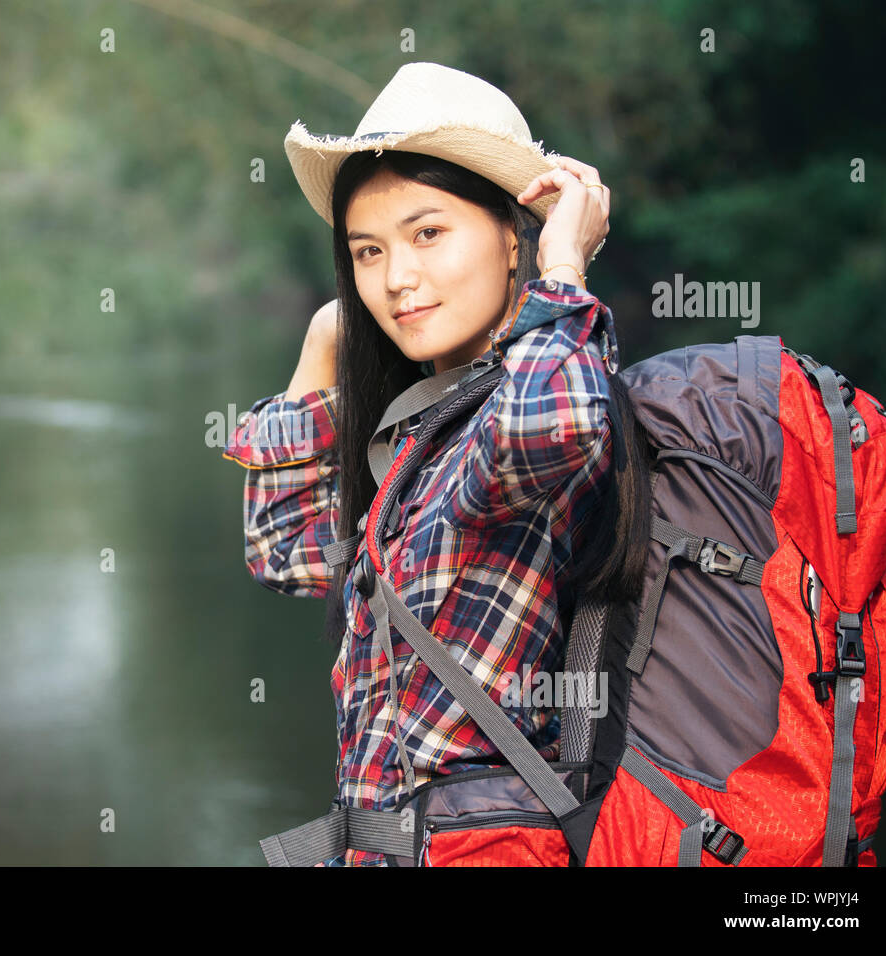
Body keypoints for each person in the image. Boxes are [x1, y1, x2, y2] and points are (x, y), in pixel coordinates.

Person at [222, 63, 645, 866]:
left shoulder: (533, 415)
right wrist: (325, 335)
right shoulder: (430, 435)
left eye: (428, 234)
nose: (395, 279)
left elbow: (548, 426)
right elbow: (285, 551)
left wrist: (563, 267)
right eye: (367, 251)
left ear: (513, 236)